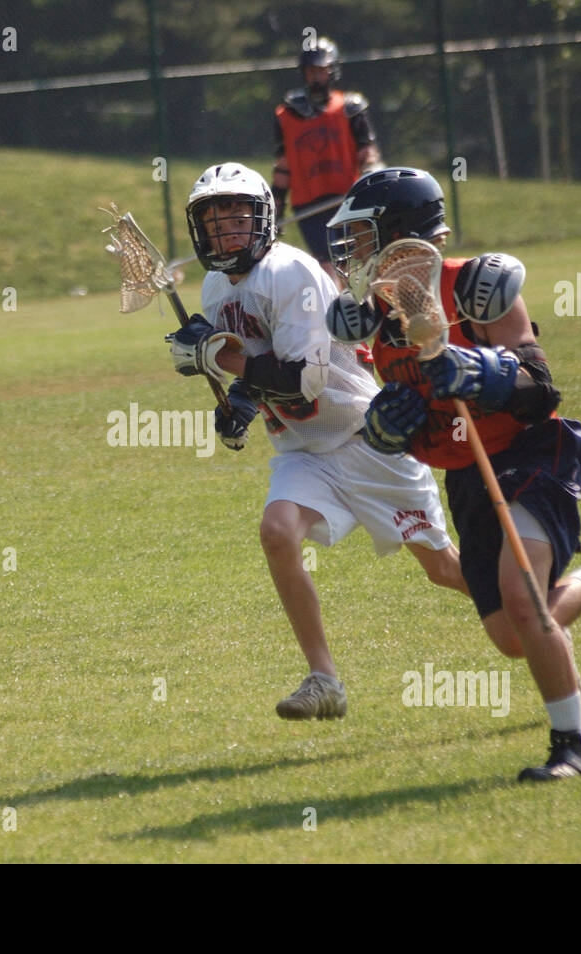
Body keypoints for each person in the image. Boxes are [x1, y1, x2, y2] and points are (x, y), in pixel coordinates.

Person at [323, 167, 581, 781]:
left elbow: (540, 388)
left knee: (523, 600)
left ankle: (573, 748)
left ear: (399, 233)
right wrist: (391, 429)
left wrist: (475, 371)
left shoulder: (477, 288)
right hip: (468, 474)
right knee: (514, 634)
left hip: (530, 453)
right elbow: (415, 424)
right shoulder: (372, 319)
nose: (353, 252)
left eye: (362, 237)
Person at [166, 161, 469, 721]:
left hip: (365, 439)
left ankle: (542, 603)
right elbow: (259, 365)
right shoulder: (213, 287)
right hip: (304, 450)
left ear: (263, 219)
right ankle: (323, 678)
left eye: (237, 215)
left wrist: (215, 355)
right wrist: (241, 404)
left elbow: (302, 378)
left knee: (447, 571)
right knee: (277, 532)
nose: (226, 229)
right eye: (214, 220)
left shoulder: (292, 273)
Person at [272, 37, 383, 283]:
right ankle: (338, 314)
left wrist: (373, 183)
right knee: (326, 264)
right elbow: (284, 165)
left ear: (332, 70)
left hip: (347, 198)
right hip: (308, 204)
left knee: (360, 258)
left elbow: (368, 154)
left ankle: (369, 311)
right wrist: (277, 204)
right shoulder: (287, 115)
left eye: (321, 70)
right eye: (312, 71)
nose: (316, 77)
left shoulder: (350, 108)